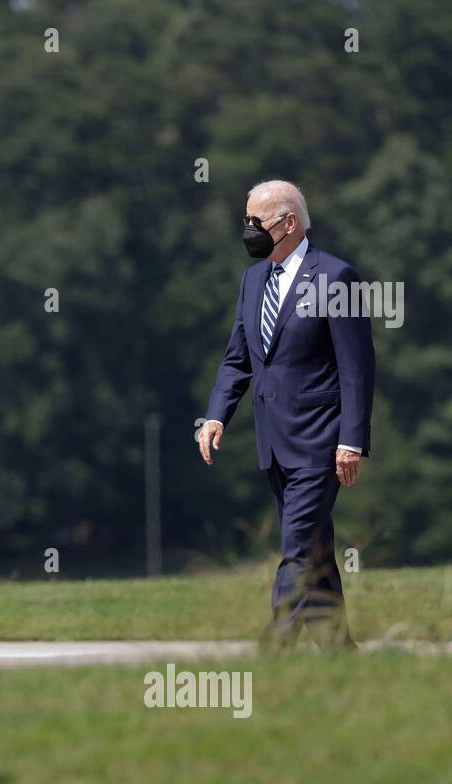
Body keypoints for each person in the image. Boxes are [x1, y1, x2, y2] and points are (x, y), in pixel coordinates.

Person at [199, 181, 375, 651]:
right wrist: (216, 416)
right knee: (315, 552)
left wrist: (352, 440)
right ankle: (340, 654)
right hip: (273, 443)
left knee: (296, 550)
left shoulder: (337, 278)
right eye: (247, 222)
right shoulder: (253, 280)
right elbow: (238, 359)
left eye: (258, 222)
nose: (249, 231)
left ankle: (272, 649)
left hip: (321, 443)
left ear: (289, 223)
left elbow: (356, 367)